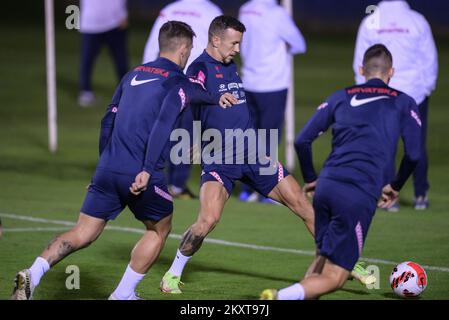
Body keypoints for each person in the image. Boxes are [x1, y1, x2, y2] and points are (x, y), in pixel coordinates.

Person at [11, 21, 236, 300]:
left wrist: (101, 165)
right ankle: (123, 294)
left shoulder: (133, 74)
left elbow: (108, 120)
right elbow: (165, 123)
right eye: (189, 50)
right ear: (183, 50)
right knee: (159, 229)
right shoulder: (176, 80)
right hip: (141, 172)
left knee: (83, 232)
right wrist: (146, 170)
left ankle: (33, 273)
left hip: (108, 167)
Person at [157, 16, 373, 295]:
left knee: (303, 204)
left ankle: (346, 260)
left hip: (253, 151)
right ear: (215, 39)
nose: (237, 48)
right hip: (220, 158)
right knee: (208, 220)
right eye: (233, 43)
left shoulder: (230, 66)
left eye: (239, 43)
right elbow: (189, 90)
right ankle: (173, 274)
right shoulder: (200, 67)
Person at [260, 44, 422, 300]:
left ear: (361, 70)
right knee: (336, 277)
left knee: (322, 261)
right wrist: (395, 186)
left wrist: (312, 179)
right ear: (391, 72)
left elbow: (302, 141)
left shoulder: (340, 96)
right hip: (358, 193)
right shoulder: (403, 102)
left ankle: (291, 295)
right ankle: (278, 297)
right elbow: (413, 154)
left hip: (326, 186)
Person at [353, 0, 438, 211]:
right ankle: (421, 195)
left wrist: (365, 90)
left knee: (383, 146)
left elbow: (360, 62)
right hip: (414, 93)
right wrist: (425, 88)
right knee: (416, 146)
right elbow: (429, 58)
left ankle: (388, 198)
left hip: (381, 95)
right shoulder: (417, 20)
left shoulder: (371, 21)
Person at [142, 0, 223, 200]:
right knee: (191, 134)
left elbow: (153, 44)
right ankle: (178, 184)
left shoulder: (170, 9)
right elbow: (219, 48)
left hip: (166, 78)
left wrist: (147, 75)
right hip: (195, 82)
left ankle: (157, 178)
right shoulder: (211, 10)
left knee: (165, 128)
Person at [238, 0, 306, 204]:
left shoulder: (245, 9)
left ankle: (247, 189)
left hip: (248, 80)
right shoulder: (276, 13)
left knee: (249, 137)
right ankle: (265, 191)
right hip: (272, 84)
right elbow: (300, 44)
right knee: (268, 139)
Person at [78, 0, 129, 107]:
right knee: (87, 60)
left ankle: (127, 92)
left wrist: (123, 14)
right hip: (91, 23)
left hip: (115, 22)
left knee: (121, 60)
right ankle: (85, 92)